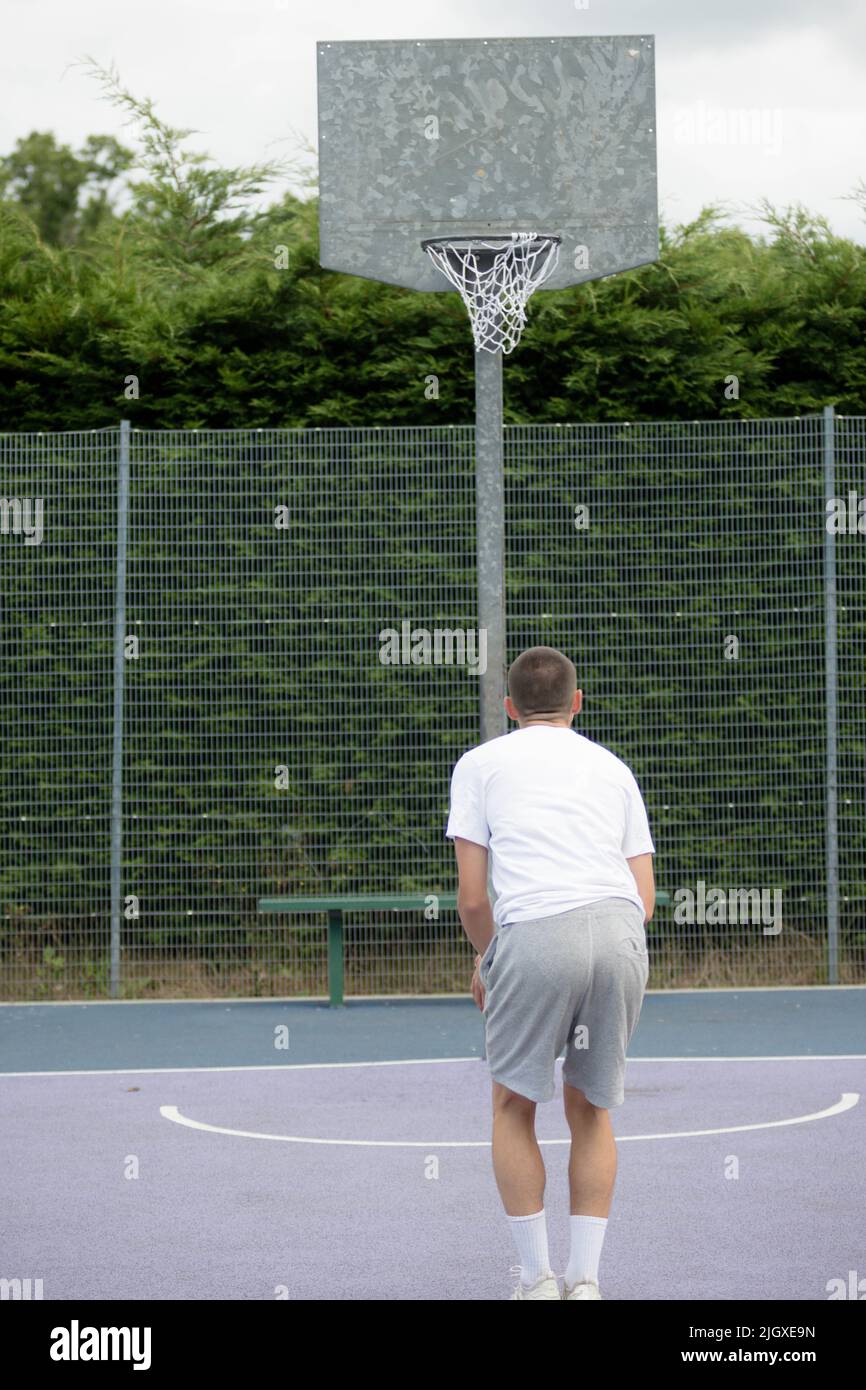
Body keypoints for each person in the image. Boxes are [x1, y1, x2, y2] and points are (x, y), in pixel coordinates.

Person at [446, 646, 655, 1301]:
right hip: (619, 930)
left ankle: (537, 1281)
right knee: (591, 1111)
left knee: (513, 1104)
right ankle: (586, 1281)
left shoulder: (481, 765)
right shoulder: (613, 768)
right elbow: (643, 895)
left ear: (509, 708)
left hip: (535, 932)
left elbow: (474, 898)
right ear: (578, 703)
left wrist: (488, 959)